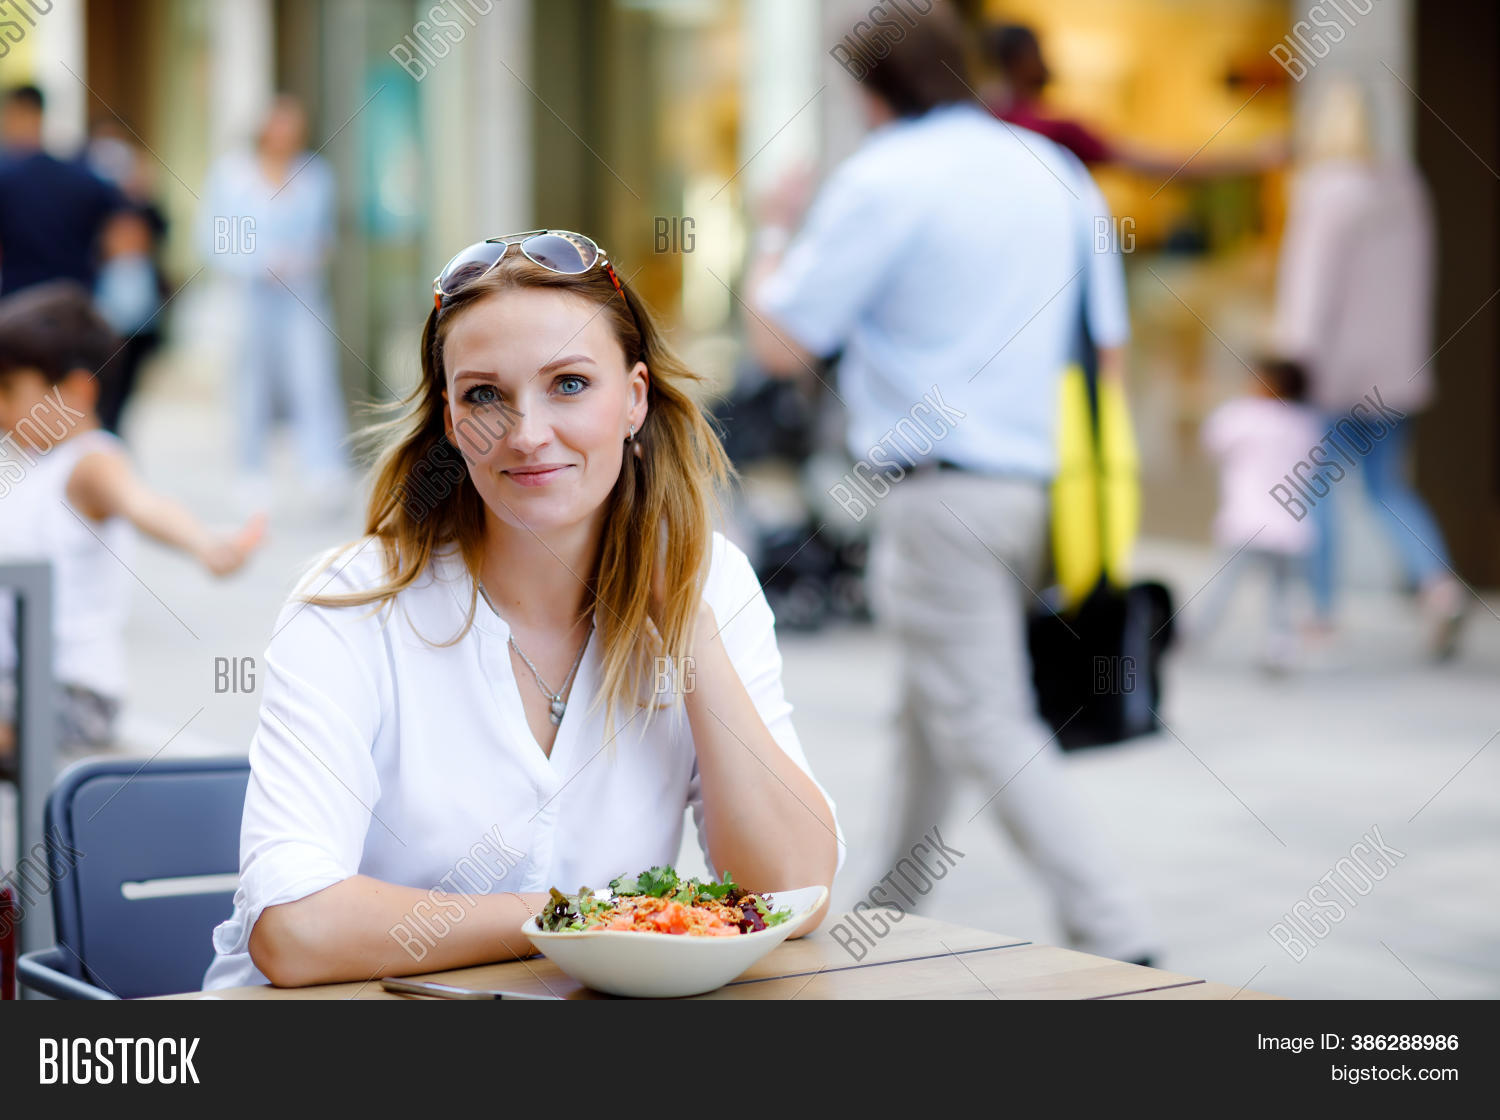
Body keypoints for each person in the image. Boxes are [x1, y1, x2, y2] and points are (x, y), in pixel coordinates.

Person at [202, 230, 842, 990]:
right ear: (450, 420)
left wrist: (689, 628)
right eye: (485, 396)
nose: (528, 434)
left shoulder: (713, 584)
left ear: (634, 398)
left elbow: (795, 894)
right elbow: (296, 930)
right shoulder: (349, 604)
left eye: (569, 383)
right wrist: (574, 920)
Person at [746, 4, 1156, 964]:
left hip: (942, 496)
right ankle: (887, 910)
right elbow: (1110, 352)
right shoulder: (1053, 171)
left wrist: (770, 235)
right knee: (937, 705)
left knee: (982, 717)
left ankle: (1118, 932)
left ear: (872, 90)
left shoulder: (884, 178)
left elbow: (781, 340)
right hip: (1052, 492)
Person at [0, 283, 265, 767]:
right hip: (16, 687)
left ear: (77, 392)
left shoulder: (89, 464)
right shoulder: (28, 465)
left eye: (9, 392)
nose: (0, 410)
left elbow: (142, 503)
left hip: (69, 695)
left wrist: (204, 543)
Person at [1272, 79, 1463, 659]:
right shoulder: (1405, 187)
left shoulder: (1325, 190)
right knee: (1386, 488)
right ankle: (1438, 587)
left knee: (1318, 487)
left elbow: (1310, 289)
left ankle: (1323, 612)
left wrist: (1290, 359)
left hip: (1333, 372)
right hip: (1394, 370)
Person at [199, 95, 349, 515]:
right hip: (250, 294)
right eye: (278, 125)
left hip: (301, 293)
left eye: (292, 127)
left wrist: (302, 259)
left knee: (313, 378)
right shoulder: (231, 175)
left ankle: (323, 469)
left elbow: (324, 236)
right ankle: (250, 471)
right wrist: (253, 262)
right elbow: (213, 238)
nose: (284, 135)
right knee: (250, 381)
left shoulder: (315, 174)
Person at [981, 23, 1283, 178]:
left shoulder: (977, 118)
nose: (1048, 63)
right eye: (1039, 52)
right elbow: (1153, 162)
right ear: (1021, 60)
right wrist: (1256, 157)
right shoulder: (1051, 129)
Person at [1192, 359, 1323, 671]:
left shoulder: (1244, 415)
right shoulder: (1305, 423)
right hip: (1290, 527)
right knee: (1282, 591)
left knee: (1222, 584)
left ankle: (1194, 636)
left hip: (1246, 522)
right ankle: (1281, 648)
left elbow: (1211, 441)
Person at [0, 85, 127, 297]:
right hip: (75, 300)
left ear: (18, 113)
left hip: (18, 303)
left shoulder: (5, 178)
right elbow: (120, 234)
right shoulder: (85, 177)